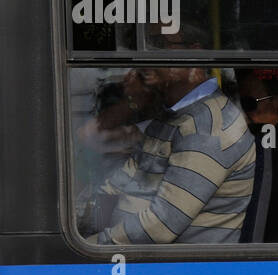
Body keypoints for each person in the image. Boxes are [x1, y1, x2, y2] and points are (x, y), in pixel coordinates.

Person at [87, 25, 256, 244]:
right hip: (140, 259)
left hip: (180, 270)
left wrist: (92, 245)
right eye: (143, 45)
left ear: (193, 54)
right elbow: (116, 184)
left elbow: (161, 226)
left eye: (158, 44)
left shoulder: (208, 128)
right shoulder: (169, 117)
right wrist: (83, 220)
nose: (144, 56)